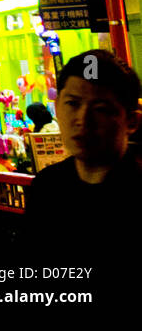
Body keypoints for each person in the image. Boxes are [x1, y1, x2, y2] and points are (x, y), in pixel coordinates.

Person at [23, 50, 142, 242]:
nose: (83, 120)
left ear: (131, 121)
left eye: (101, 109)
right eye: (72, 103)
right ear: (57, 107)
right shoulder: (47, 187)